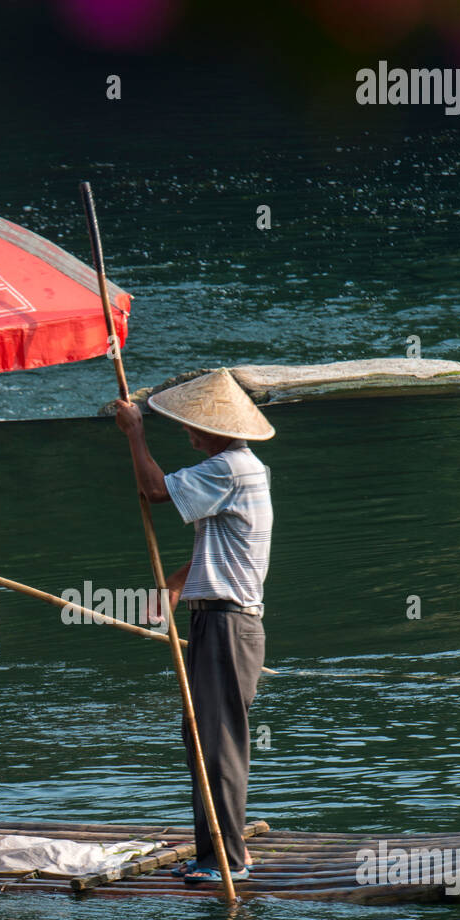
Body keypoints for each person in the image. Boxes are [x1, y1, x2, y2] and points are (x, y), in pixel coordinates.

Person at [114, 368, 274, 886]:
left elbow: (155, 490)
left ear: (215, 429)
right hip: (218, 621)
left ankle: (228, 860)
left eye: (192, 427)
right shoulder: (237, 469)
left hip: (229, 626)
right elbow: (222, 549)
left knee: (218, 740)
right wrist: (175, 586)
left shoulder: (231, 468)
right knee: (200, 736)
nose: (187, 434)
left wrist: (135, 433)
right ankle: (214, 854)